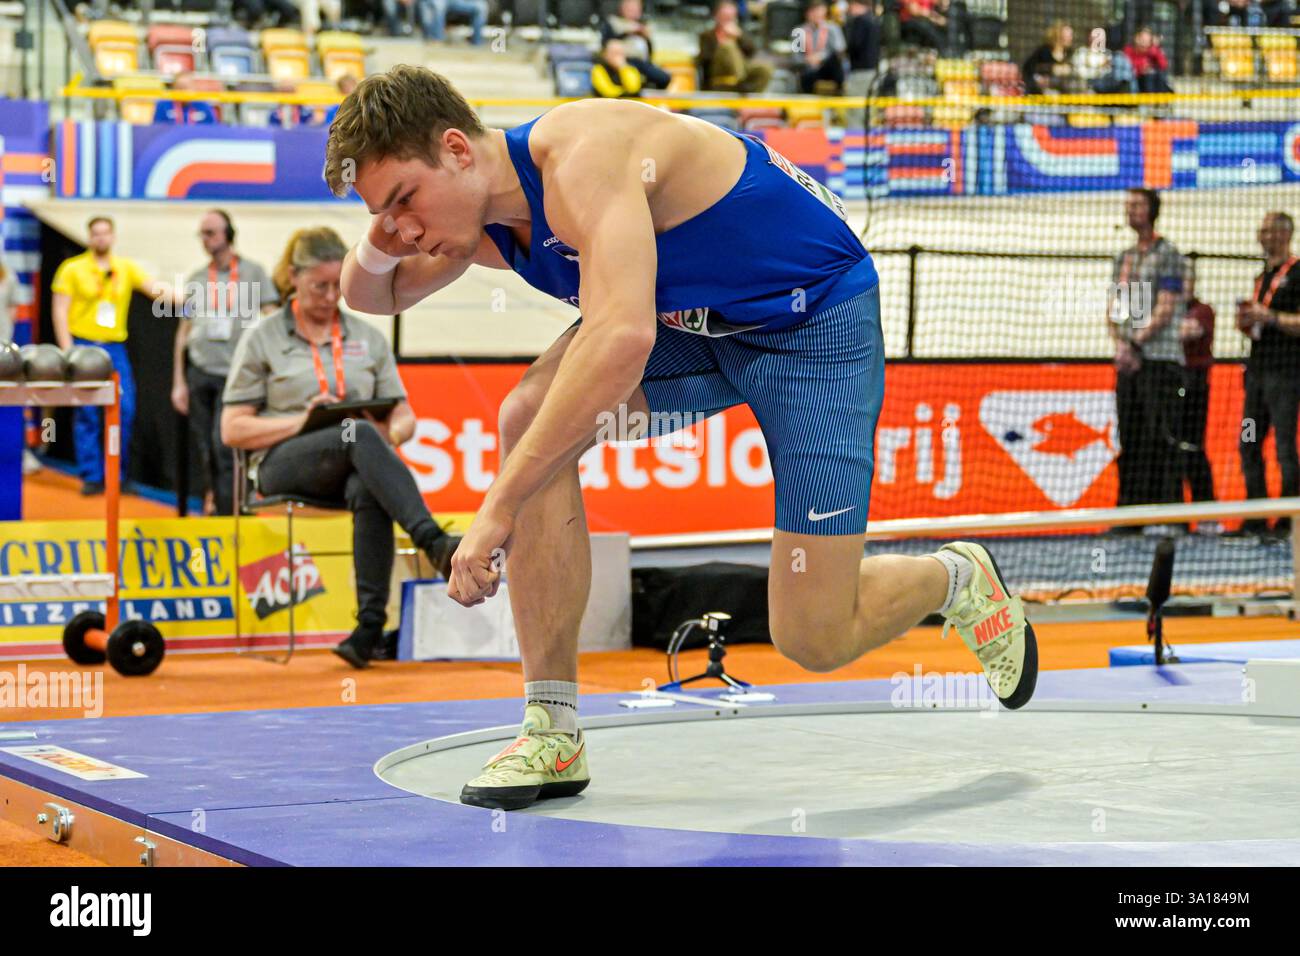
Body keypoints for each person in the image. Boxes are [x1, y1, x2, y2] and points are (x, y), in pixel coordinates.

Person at [324, 66, 1038, 810]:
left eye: (404, 200)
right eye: (386, 214)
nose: (404, 229)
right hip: (695, 330)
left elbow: (621, 337)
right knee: (528, 419)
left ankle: (958, 577)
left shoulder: (581, 157)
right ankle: (553, 728)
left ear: (456, 150)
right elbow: (371, 293)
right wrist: (383, 227)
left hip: (813, 329)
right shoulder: (483, 224)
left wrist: (499, 507)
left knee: (815, 637)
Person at [221, 227, 460, 668]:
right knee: (360, 434)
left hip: (350, 463)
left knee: (368, 480)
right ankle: (434, 542)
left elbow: (403, 415)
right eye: (320, 286)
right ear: (293, 277)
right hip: (280, 465)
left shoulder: (368, 338)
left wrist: (394, 434)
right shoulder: (263, 337)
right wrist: (305, 419)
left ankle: (368, 629)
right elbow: (232, 430)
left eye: (338, 286)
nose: (331, 296)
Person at [50, 217, 179, 496]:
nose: (100, 239)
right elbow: (60, 309)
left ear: (113, 236)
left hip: (114, 347)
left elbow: (158, 291)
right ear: (89, 237)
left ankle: (117, 475)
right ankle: (92, 475)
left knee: (124, 408)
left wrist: (193, 297)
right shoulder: (72, 269)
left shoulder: (125, 268)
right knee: (87, 411)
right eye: (95, 234)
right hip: (83, 345)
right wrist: (67, 350)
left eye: (105, 233)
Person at [171, 210, 279, 516]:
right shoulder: (196, 277)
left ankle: (235, 509)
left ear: (228, 234)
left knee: (227, 445)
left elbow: (272, 316)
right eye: (202, 234)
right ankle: (218, 504)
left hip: (235, 375)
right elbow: (184, 331)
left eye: (211, 233)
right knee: (207, 447)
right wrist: (179, 382)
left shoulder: (252, 272)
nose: (205, 240)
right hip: (200, 371)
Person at [1107, 189, 1187, 519]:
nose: (1130, 211)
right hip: (1129, 363)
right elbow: (1113, 308)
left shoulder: (1168, 253)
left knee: (1161, 435)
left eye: (1137, 205)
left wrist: (1137, 344)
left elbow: (1166, 308)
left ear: (1152, 210)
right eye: (1127, 206)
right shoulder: (1123, 259)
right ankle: (1129, 515)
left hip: (1160, 359)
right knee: (1130, 436)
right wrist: (1122, 346)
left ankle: (1167, 514)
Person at [1236, 212, 1300, 535]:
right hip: (1256, 377)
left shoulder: (1297, 272)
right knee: (1248, 441)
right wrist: (1249, 323)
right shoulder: (1262, 276)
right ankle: (1256, 515)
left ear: (1282, 234)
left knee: (1284, 446)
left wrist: (1271, 316)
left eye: (1266, 230)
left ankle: (1289, 521)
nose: (1260, 235)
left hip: (1285, 376)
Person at [1178, 263, 1217, 513]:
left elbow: (1189, 332)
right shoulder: (1168, 310)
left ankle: (1207, 510)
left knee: (1193, 447)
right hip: (1169, 389)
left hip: (1195, 389)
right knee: (1172, 449)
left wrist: (1160, 325)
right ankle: (1173, 513)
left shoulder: (1202, 311)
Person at [698, 1, 773, 93]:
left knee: (765, 68)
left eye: (731, 17)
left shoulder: (739, 34)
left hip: (741, 72)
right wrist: (722, 46)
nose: (728, 20)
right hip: (717, 74)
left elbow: (752, 52)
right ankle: (741, 81)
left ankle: (750, 94)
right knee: (728, 46)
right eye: (725, 16)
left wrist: (739, 36)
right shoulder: (707, 36)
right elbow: (705, 60)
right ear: (717, 16)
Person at [600, 0, 671, 90]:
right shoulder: (613, 22)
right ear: (622, 8)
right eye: (629, 7)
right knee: (631, 79)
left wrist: (646, 37)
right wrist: (629, 32)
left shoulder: (643, 25)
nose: (633, 10)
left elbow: (649, 51)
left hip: (643, 62)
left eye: (636, 7)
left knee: (664, 78)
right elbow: (607, 44)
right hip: (624, 61)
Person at [796, 1, 847, 94]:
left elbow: (840, 50)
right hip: (809, 69)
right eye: (814, 12)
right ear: (807, 13)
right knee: (805, 74)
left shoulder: (833, 29)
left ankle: (840, 92)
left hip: (828, 67)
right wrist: (807, 60)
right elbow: (794, 57)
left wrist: (821, 57)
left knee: (834, 60)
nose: (817, 15)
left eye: (820, 12)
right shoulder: (799, 31)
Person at [1022, 21, 1076, 95]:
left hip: (1064, 92)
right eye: (1069, 35)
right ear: (1059, 35)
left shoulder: (1070, 53)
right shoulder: (1044, 52)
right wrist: (1051, 69)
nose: (1071, 38)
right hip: (1043, 93)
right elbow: (1028, 69)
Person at [1124, 25, 1172, 94]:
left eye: (1147, 40)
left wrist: (1154, 49)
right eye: (1142, 39)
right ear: (1136, 38)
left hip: (1153, 81)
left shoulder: (1152, 51)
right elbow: (1128, 68)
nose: (1144, 42)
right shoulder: (1129, 50)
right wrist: (1141, 68)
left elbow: (1164, 65)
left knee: (1157, 74)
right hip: (1137, 80)